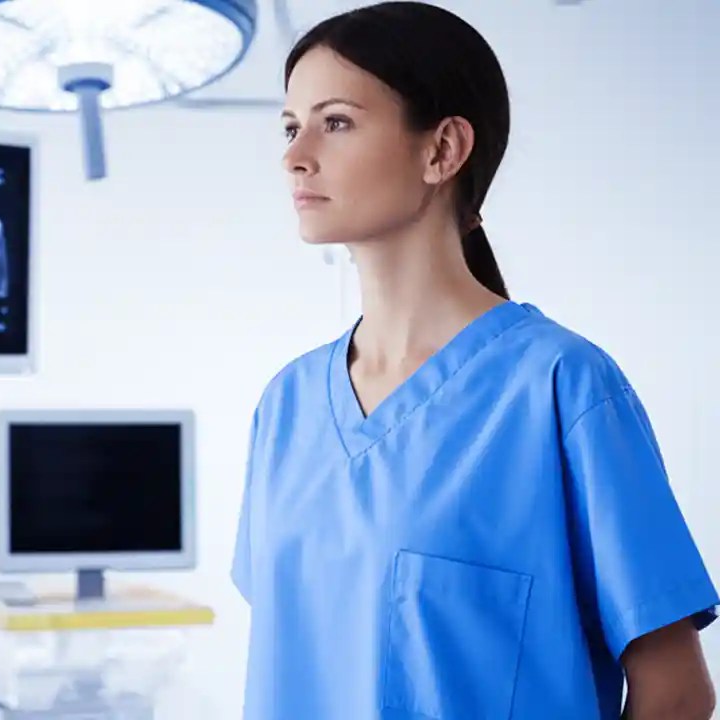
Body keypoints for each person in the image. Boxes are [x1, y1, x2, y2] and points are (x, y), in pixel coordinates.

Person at [230, 2, 719, 718]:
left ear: (443, 150)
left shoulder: (559, 387)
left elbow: (675, 696)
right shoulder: (288, 405)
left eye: (335, 122)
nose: (294, 155)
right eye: (289, 126)